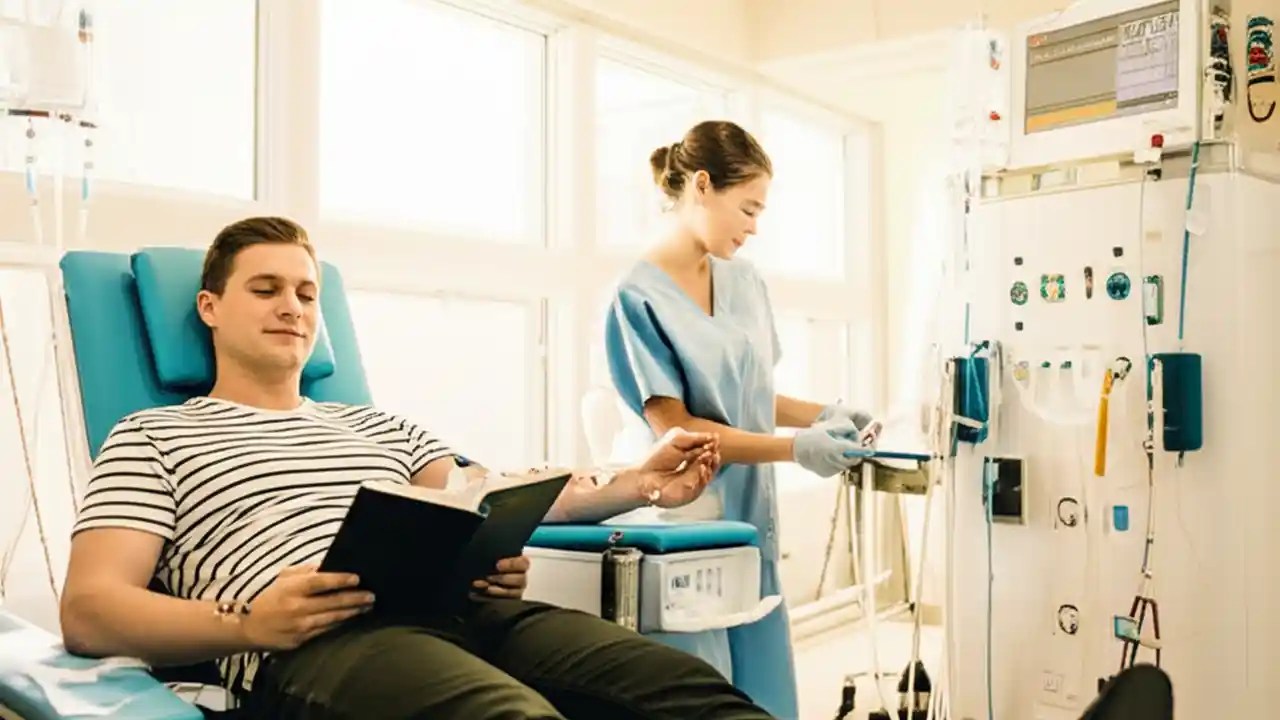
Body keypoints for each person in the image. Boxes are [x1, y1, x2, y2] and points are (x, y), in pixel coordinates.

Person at [59, 216, 777, 720]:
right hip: (321, 645)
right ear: (209, 307)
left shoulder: (379, 425)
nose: (293, 308)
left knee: (692, 692)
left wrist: (641, 483)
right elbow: (90, 612)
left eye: (308, 294)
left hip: (474, 613)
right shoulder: (155, 435)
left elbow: (498, 496)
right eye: (266, 289)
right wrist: (249, 624)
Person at [603, 120, 879, 719]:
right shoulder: (637, 297)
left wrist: (826, 414)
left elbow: (752, 393)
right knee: (706, 692)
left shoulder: (743, 280)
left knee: (765, 689)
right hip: (681, 518)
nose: (755, 226)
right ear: (702, 186)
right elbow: (678, 433)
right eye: (748, 208)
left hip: (751, 509)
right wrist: (796, 448)